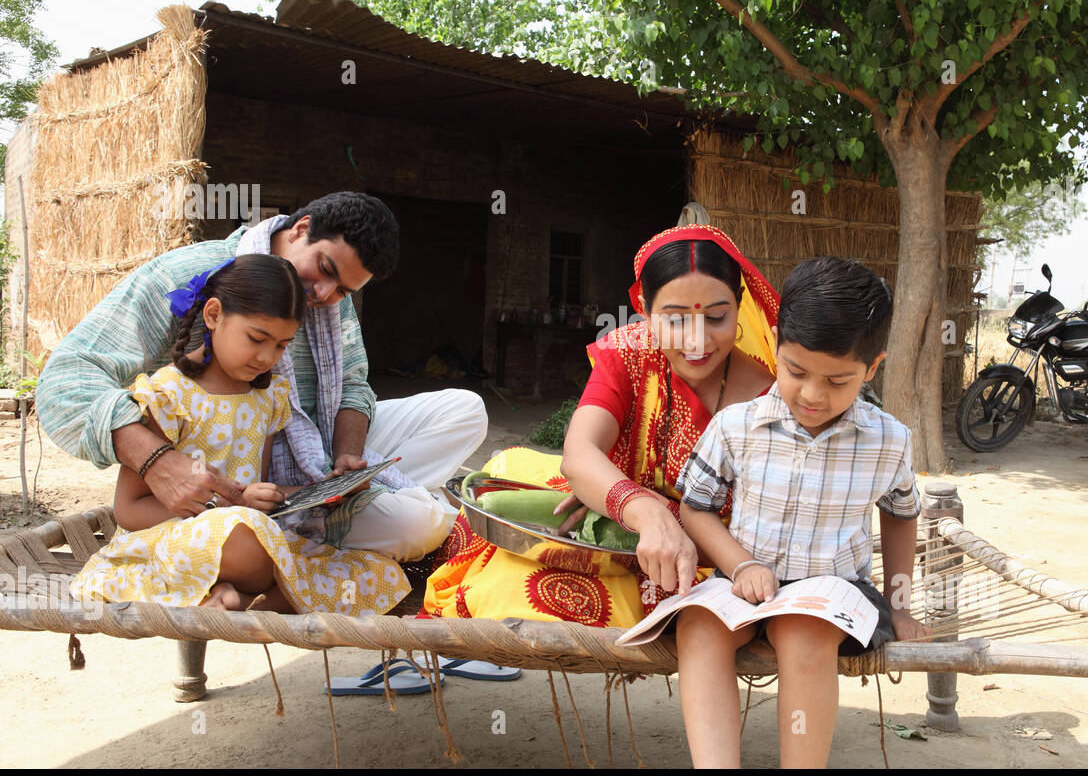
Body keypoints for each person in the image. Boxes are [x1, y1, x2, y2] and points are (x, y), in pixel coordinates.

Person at [37, 192, 488, 562]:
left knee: (464, 410)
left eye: (345, 291)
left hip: (313, 457)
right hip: (225, 477)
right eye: (326, 270)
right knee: (416, 525)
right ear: (300, 228)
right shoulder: (189, 274)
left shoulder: (331, 303)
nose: (325, 295)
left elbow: (353, 385)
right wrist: (157, 461)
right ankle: (360, 519)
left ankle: (351, 503)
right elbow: (65, 382)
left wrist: (348, 457)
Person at [422, 224, 781, 626]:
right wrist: (639, 507)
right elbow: (579, 456)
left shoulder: (769, 399)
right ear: (644, 308)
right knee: (508, 469)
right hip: (621, 518)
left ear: (740, 302)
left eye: (716, 317)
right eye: (675, 320)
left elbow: (762, 534)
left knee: (520, 593)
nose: (696, 340)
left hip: (697, 560)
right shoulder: (628, 353)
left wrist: (625, 504)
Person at [673, 256, 930, 768]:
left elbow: (901, 514)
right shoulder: (736, 426)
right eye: (796, 372)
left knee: (802, 626)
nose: (813, 395)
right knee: (699, 625)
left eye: (838, 382)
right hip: (742, 582)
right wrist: (740, 564)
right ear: (774, 343)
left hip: (835, 593)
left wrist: (900, 604)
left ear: (872, 368)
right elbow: (695, 508)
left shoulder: (888, 441)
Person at [69, 254, 409, 615]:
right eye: (256, 338)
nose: (266, 357)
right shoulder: (168, 394)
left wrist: (324, 493)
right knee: (245, 541)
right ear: (213, 315)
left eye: (281, 345)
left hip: (246, 532)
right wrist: (227, 510)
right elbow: (128, 510)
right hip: (177, 541)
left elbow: (252, 491)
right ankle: (261, 598)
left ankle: (236, 600)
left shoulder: (266, 397)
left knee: (380, 574)